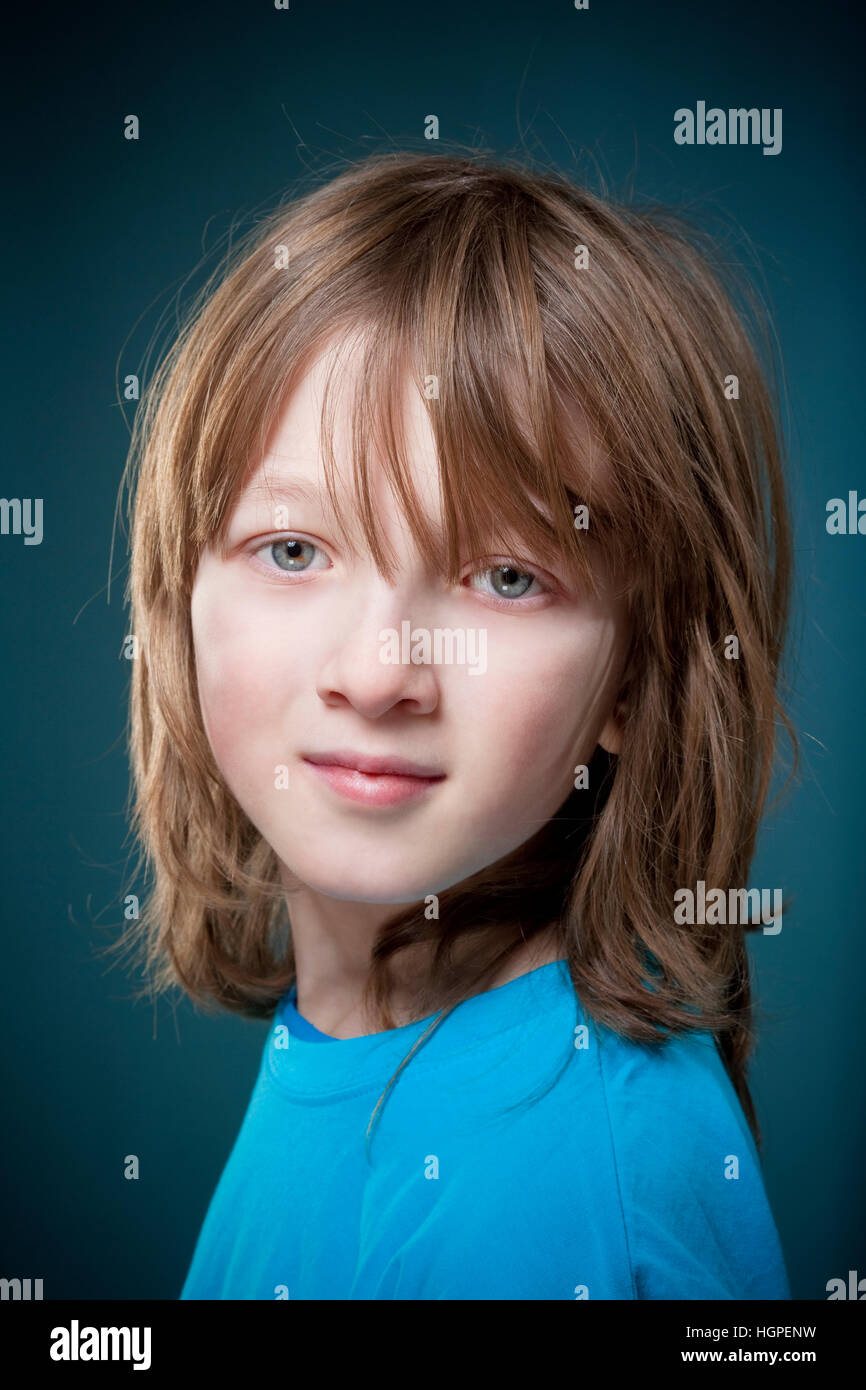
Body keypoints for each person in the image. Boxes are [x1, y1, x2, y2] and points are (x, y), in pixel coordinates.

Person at [117, 149, 794, 1299]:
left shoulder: (555, 1178)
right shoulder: (355, 1039)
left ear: (635, 674)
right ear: (180, 593)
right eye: (294, 550)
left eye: (504, 577)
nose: (380, 672)